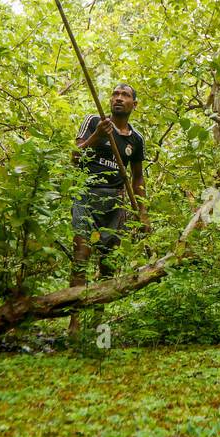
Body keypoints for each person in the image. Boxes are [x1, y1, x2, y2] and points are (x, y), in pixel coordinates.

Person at [69, 83, 147, 335]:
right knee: (81, 255)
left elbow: (137, 178)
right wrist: (97, 137)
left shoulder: (135, 139)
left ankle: (97, 321)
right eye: (115, 94)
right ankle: (74, 323)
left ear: (134, 104)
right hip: (87, 195)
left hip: (115, 202)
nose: (118, 99)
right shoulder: (94, 122)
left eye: (125, 96)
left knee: (108, 262)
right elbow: (74, 156)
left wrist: (142, 213)